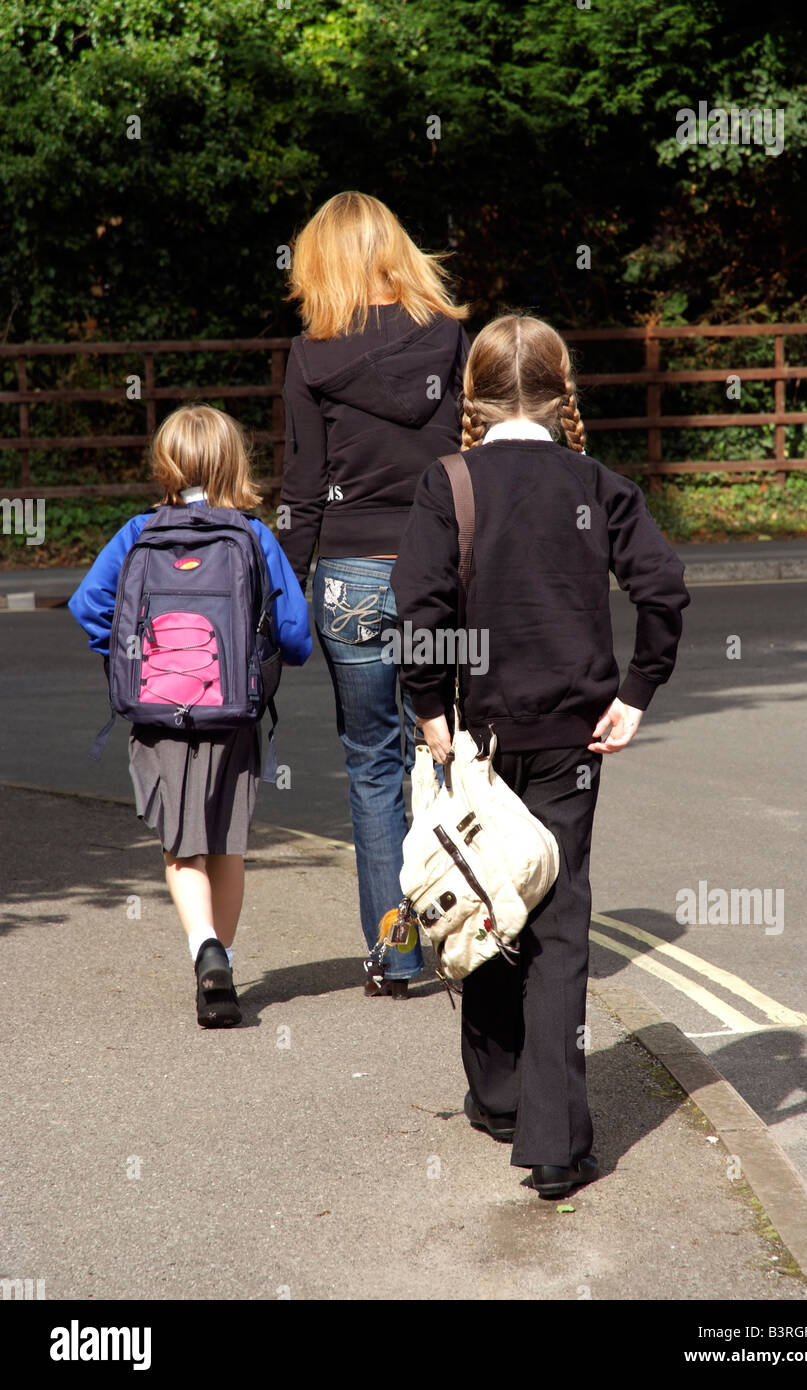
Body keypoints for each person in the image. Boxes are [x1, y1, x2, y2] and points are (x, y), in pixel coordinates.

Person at [391, 315, 691, 1197]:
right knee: (556, 924)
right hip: (572, 740)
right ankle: (555, 1143)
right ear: (565, 392)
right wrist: (635, 692)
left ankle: (497, 1097)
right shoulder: (597, 484)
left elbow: (421, 612)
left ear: (471, 398)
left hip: (475, 738)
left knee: (483, 892)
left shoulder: (447, 483)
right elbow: (663, 590)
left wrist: (429, 711)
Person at [279, 190, 470, 997]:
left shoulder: (310, 355)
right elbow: (475, 453)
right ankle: (476, 934)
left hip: (350, 577)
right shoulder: (452, 336)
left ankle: (395, 954)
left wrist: (281, 588)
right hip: (442, 569)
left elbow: (301, 487)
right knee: (457, 750)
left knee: (371, 766)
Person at [68, 405, 312, 1027]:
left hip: (158, 716)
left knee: (181, 844)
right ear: (236, 463)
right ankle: (222, 960)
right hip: (232, 712)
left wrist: (136, 658)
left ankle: (202, 947)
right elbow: (295, 634)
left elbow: (90, 605)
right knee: (227, 841)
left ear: (166, 463)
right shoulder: (253, 535)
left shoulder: (137, 533)